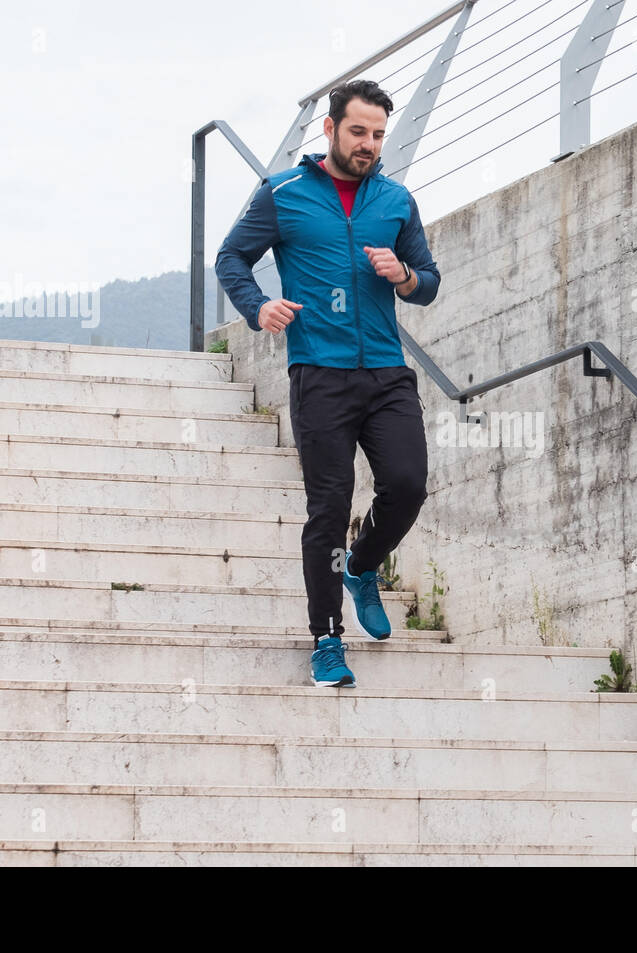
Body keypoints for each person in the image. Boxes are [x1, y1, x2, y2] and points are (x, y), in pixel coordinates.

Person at [215, 78, 440, 688]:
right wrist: (257, 306)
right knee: (328, 508)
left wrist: (405, 278)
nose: (368, 144)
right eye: (358, 131)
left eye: (377, 135)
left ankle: (363, 566)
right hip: (319, 374)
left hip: (387, 373)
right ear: (331, 129)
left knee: (407, 484)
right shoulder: (282, 193)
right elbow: (230, 258)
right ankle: (327, 639)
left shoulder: (395, 200)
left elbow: (429, 280)